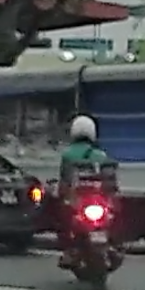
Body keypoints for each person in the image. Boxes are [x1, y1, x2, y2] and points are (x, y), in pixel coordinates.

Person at [57, 115, 112, 268]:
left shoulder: (67, 154)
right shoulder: (101, 155)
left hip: (79, 201)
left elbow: (64, 179)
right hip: (99, 200)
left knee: (63, 218)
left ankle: (68, 249)